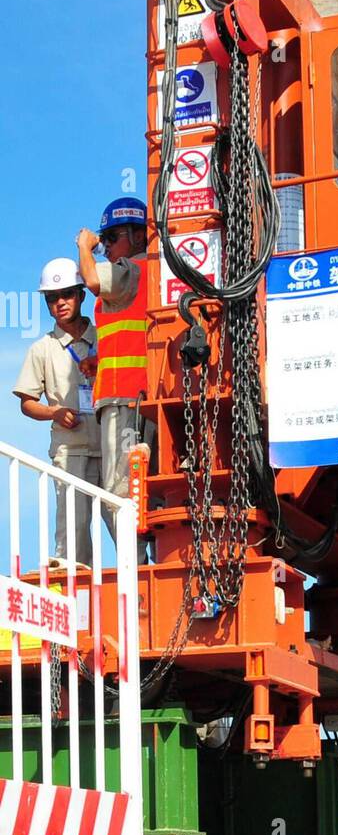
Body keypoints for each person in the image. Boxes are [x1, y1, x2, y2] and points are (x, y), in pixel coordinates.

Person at [76, 198, 151, 562]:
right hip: (129, 396)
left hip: (126, 400)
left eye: (112, 237)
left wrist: (83, 246)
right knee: (135, 493)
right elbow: (131, 335)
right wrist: (98, 360)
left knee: (118, 496)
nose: (105, 246)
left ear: (139, 236)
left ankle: (134, 571)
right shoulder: (143, 274)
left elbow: (91, 279)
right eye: (102, 240)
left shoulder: (133, 268)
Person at [13, 259, 100, 566]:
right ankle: (79, 605)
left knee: (129, 527)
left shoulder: (107, 337)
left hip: (113, 446)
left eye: (67, 294)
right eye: (52, 297)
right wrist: (53, 411)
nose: (60, 302)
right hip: (70, 452)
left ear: (81, 294)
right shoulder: (42, 349)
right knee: (73, 536)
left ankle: (142, 594)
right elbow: (26, 402)